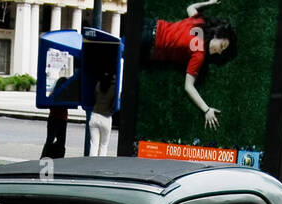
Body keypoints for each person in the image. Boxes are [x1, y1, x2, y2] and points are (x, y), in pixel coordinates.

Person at [140, 0, 237, 129]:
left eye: (222, 51)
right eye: (222, 46)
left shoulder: (199, 38)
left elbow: (191, 7)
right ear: (216, 34)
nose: (220, 52)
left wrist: (206, 110)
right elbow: (188, 86)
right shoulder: (199, 40)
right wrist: (209, 3)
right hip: (149, 33)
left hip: (148, 35)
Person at [41, 74, 76, 159]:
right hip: (62, 119)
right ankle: (59, 158)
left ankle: (43, 157)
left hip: (53, 118)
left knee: (49, 139)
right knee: (61, 141)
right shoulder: (65, 95)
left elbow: (49, 105)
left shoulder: (53, 94)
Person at [89, 72, 118, 157]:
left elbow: (94, 97)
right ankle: (100, 166)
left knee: (94, 144)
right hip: (106, 117)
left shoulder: (98, 84)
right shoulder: (114, 88)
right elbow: (114, 105)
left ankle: (91, 164)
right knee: (103, 145)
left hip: (94, 116)